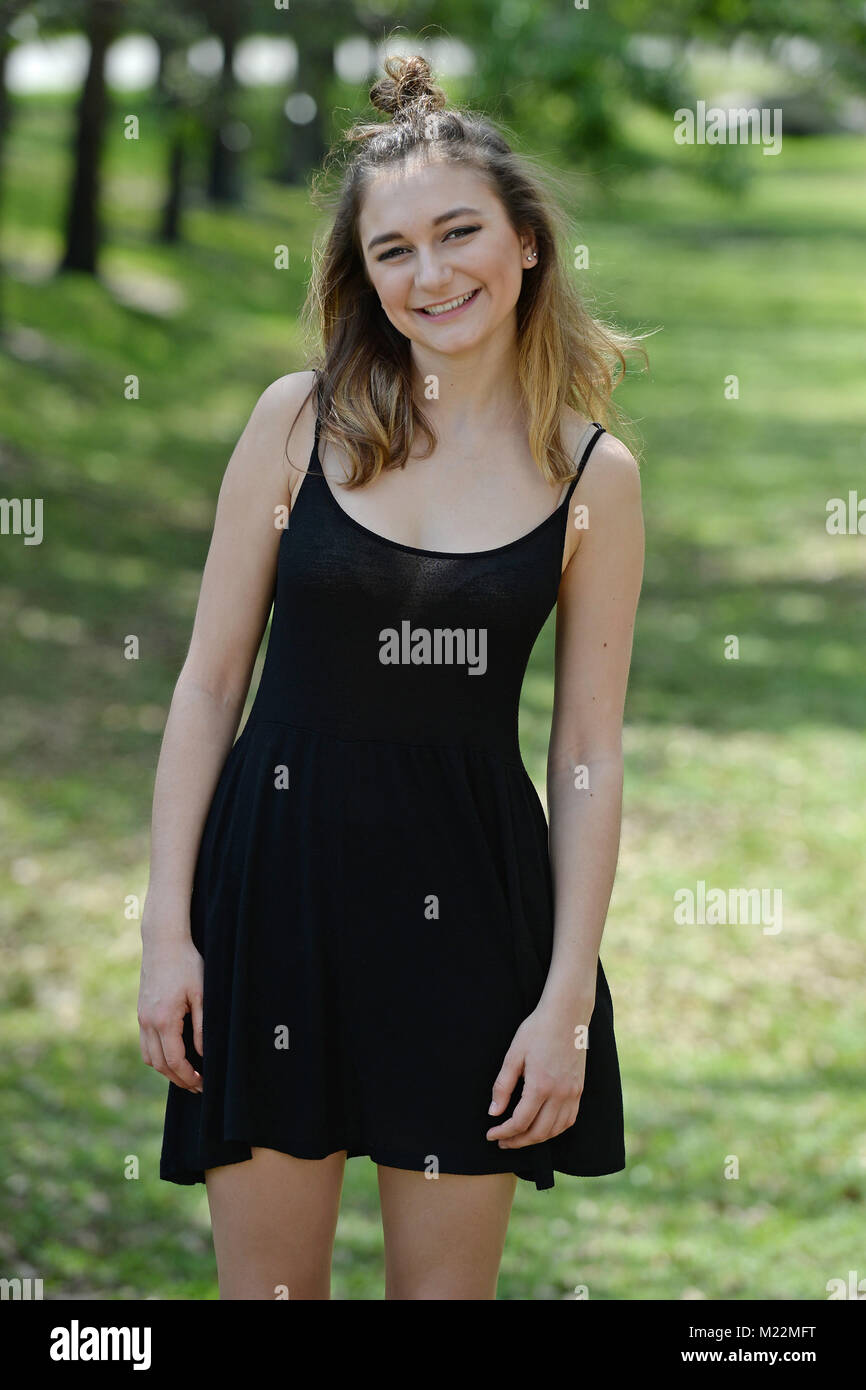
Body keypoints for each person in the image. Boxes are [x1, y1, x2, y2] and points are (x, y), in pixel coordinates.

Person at [138, 53, 646, 1301]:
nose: (432, 275)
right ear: (360, 277)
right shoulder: (295, 423)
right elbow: (207, 687)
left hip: (471, 919)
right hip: (273, 894)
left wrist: (563, 996)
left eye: (460, 233)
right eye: (393, 251)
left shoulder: (594, 478)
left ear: (525, 243)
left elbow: (585, 747)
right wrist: (166, 932)